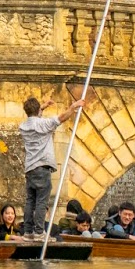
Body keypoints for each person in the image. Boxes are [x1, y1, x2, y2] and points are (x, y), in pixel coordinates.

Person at [19, 94, 86, 237]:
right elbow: (61, 118)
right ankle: (39, 232)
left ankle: (28, 231)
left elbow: (34, 118)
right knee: (42, 201)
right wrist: (73, 107)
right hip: (42, 167)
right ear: (38, 111)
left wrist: (41, 107)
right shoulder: (43, 124)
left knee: (30, 200)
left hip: (30, 168)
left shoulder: (23, 126)